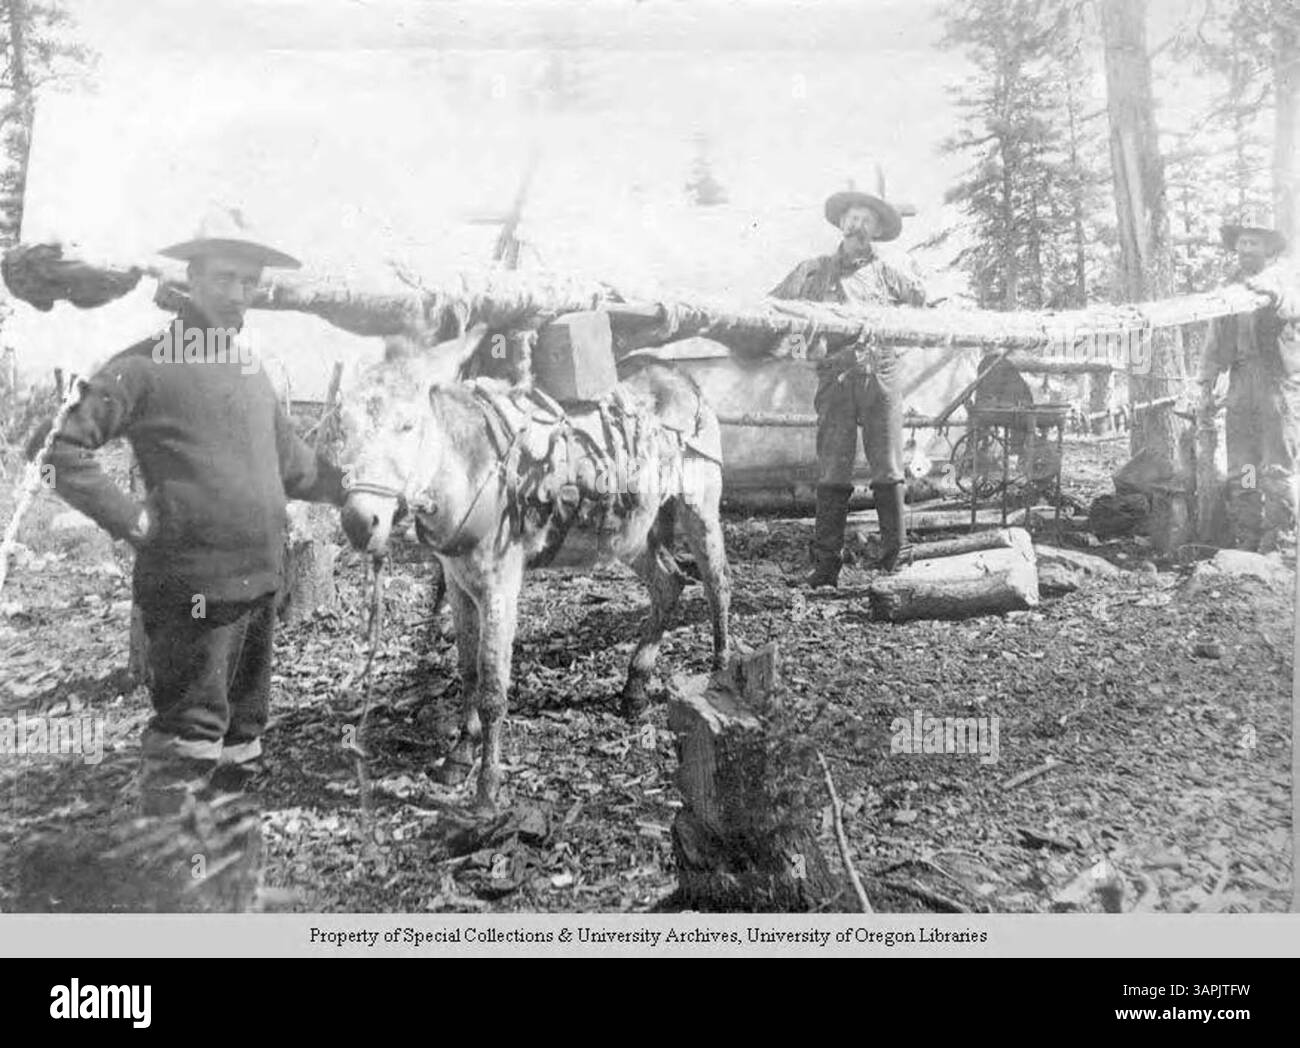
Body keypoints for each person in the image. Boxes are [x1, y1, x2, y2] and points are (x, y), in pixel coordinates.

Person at [26, 206, 347, 815]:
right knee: (189, 738)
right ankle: (168, 877)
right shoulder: (143, 365)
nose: (238, 294)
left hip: (258, 586)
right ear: (191, 279)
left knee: (241, 738)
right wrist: (129, 517)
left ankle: (222, 861)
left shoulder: (249, 371)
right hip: (192, 591)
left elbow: (293, 464)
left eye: (249, 281)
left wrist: (347, 487)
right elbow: (55, 449)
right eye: (225, 278)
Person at [769, 180, 927, 587]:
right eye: (852, 218)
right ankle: (826, 568)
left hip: (882, 375)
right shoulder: (812, 270)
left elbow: (925, 309)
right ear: (841, 223)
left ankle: (896, 561)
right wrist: (803, 347)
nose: (858, 227)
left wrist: (895, 342)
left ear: (876, 230)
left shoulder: (892, 272)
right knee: (833, 471)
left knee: (889, 469)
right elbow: (773, 309)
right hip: (836, 378)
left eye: (867, 221)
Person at [1197, 212, 1296, 553]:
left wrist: (1270, 292)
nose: (1247, 248)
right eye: (1242, 242)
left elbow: (1289, 305)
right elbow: (1214, 340)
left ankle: (1278, 536)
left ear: (1268, 247)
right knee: (1245, 464)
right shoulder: (1229, 286)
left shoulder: (1283, 278)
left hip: (1275, 383)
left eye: (1254, 242)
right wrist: (1206, 382)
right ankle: (1248, 533)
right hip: (1239, 380)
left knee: (1276, 462)